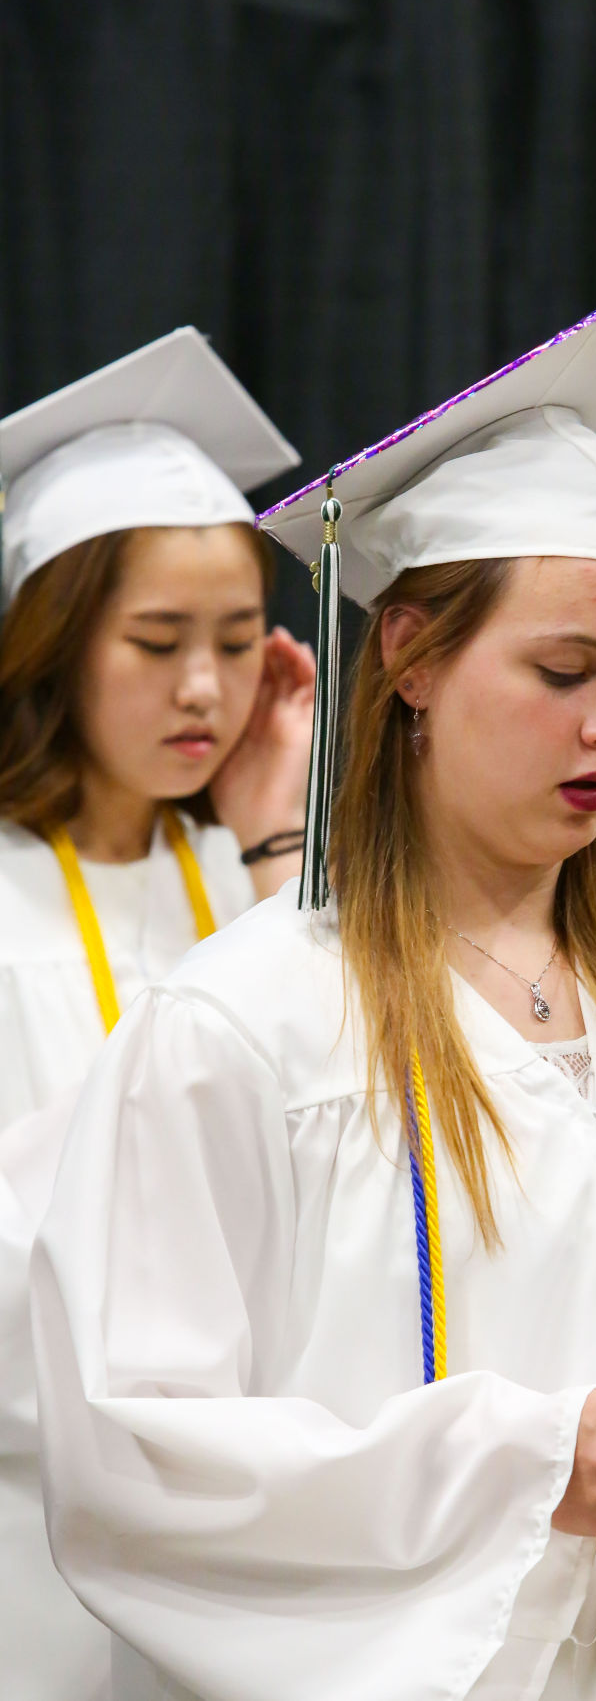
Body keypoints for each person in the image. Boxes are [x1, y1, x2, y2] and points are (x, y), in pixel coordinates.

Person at [32, 313, 596, 1701]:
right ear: (408, 656)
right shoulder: (245, 1026)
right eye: (565, 669)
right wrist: (529, 1467)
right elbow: (139, 1460)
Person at [0, 328, 313, 1701]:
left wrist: (275, 847)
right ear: (56, 643)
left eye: (240, 642)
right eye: (159, 641)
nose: (206, 688)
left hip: (263, 1526)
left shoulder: (240, 869)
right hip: (36, 1523)